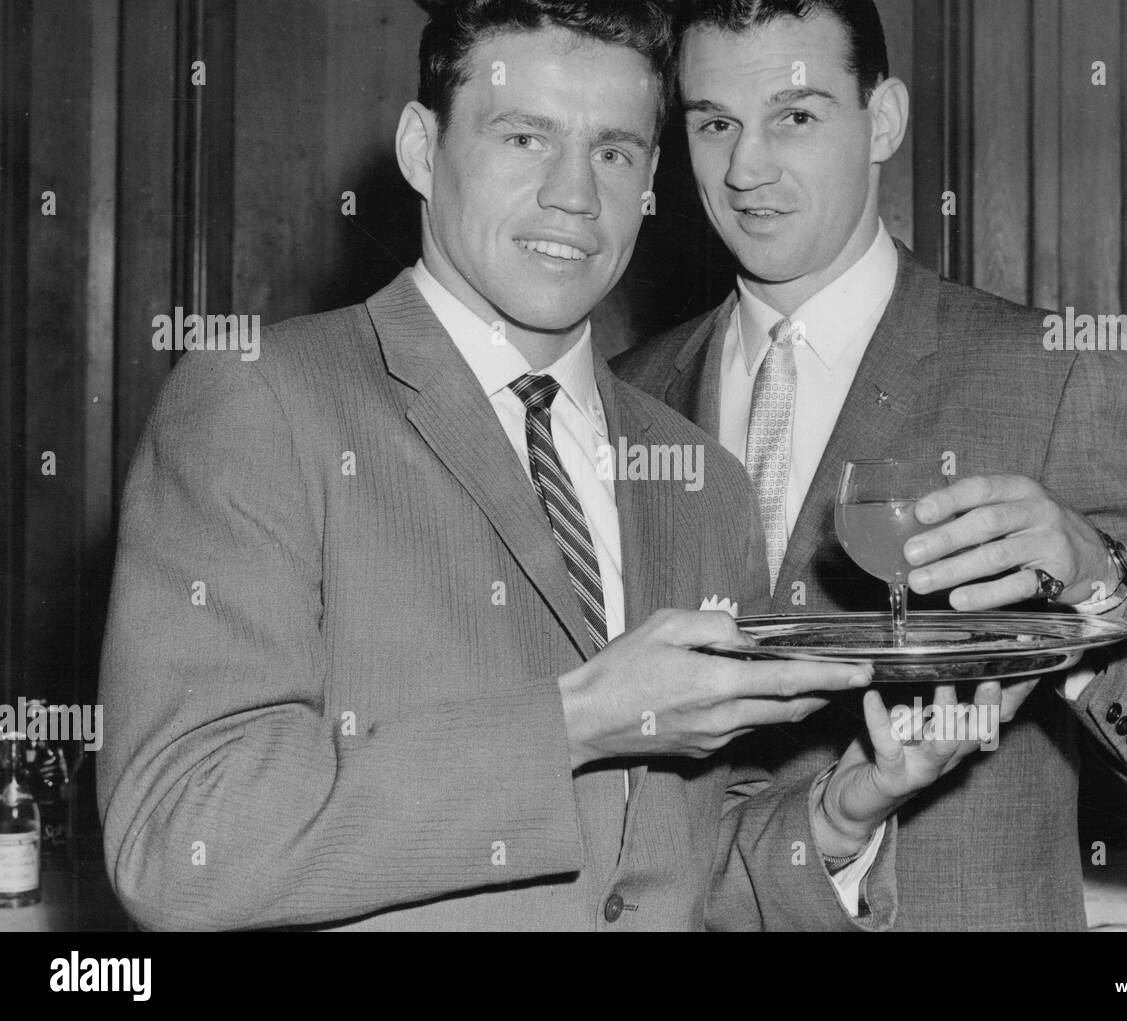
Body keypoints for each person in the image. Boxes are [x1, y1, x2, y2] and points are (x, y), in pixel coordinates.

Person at [97, 0, 994, 932]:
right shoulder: (264, 401)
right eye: (525, 137)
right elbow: (177, 838)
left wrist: (836, 816)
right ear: (418, 147)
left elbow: (679, 863)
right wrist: (573, 719)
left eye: (614, 152)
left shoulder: (701, 478)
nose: (576, 193)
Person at [615, 0, 1127, 930]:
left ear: (885, 120)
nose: (746, 168)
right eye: (715, 123)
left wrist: (1091, 580)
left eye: (796, 115)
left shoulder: (1052, 374)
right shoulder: (625, 395)